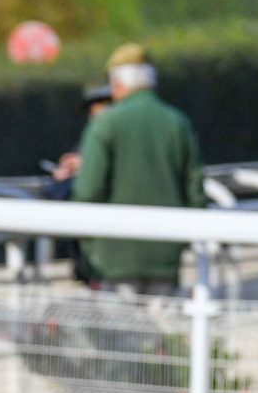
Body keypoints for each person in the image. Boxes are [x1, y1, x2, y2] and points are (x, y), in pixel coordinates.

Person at [72, 43, 206, 295]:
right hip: (166, 254)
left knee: (120, 333)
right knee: (163, 333)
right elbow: (196, 192)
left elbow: (88, 191)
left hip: (113, 256)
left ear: (117, 83)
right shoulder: (177, 122)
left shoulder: (105, 123)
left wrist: (89, 245)